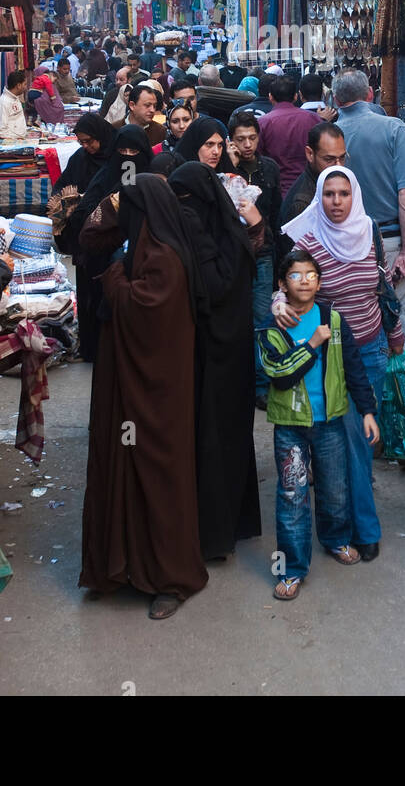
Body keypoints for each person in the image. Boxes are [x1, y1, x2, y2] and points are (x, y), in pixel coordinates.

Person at [78, 176, 208, 619]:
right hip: (133, 386)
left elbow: (142, 307)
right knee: (127, 469)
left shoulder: (164, 260)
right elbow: (89, 233)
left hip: (157, 397)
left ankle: (169, 577)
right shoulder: (147, 250)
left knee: (157, 476)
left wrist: (115, 279)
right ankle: (124, 566)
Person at [281, 166, 403, 561]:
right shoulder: (310, 241)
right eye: (329, 194)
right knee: (354, 442)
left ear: (355, 197)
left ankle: (349, 524)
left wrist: (395, 333)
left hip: (373, 348)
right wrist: (276, 303)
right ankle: (362, 530)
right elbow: (288, 285)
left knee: (364, 443)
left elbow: (381, 284)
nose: (336, 202)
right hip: (334, 357)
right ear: (320, 197)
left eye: (343, 194)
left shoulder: (368, 231)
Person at [258, 247, 379, 601]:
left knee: (334, 486)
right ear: (282, 284)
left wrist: (367, 410)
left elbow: (353, 366)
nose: (305, 282)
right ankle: (292, 569)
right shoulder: (272, 325)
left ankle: (337, 538)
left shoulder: (333, 319)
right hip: (291, 424)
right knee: (293, 495)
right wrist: (312, 344)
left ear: (320, 282)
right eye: (296, 276)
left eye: (312, 275)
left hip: (330, 419)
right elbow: (279, 375)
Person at [168, 162, 263, 559]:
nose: (184, 209)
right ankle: (218, 529)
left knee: (218, 441)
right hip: (216, 357)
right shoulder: (219, 233)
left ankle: (218, 533)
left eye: (188, 200)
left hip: (221, 358)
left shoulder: (216, 239)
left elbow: (216, 287)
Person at [332, 69, 405, 350]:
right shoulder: (393, 128)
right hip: (391, 241)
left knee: (357, 321)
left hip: (346, 245)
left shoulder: (329, 135)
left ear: (336, 100)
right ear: (370, 93)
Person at [49, 113, 120, 362]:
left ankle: (107, 348)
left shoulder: (116, 158)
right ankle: (90, 348)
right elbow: (61, 187)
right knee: (88, 294)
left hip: (109, 236)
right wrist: (68, 204)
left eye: (90, 141)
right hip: (85, 238)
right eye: (82, 142)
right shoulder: (80, 159)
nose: (86, 147)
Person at [227, 109, 282, 409]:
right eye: (240, 139)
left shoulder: (269, 168)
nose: (247, 144)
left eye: (252, 138)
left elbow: (275, 212)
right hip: (231, 255)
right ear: (231, 140)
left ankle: (261, 384)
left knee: (262, 320)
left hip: (262, 254)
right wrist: (229, 165)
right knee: (234, 319)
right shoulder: (221, 167)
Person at [257, 75, 320, 197]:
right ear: (296, 96)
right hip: (311, 190)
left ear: (270, 97)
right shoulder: (313, 119)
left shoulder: (263, 123)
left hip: (278, 191)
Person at [280, 122, 346, 227]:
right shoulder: (302, 204)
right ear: (310, 154)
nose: (338, 166)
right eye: (329, 159)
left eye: (342, 158)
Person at [0, 69, 29, 139]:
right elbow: (0, 131)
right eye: (25, 84)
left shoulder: (16, 98)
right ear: (18, 85)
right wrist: (17, 138)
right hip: (11, 145)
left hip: (19, 142)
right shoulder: (3, 102)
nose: (26, 87)